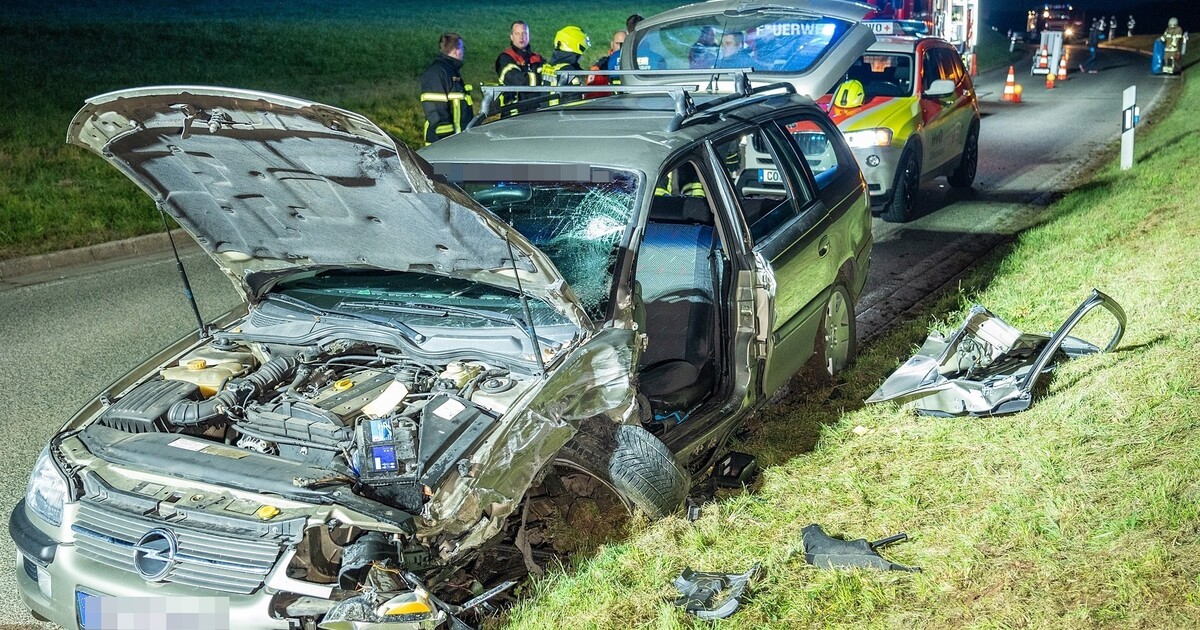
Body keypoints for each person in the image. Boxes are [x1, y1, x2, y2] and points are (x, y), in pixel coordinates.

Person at [419, 33, 473, 145]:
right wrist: (447, 139)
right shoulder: (437, 73)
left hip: (456, 140)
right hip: (442, 142)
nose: (463, 52)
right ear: (455, 50)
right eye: (462, 48)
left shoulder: (450, 71)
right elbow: (436, 110)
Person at [495, 21, 544, 106]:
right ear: (511, 37)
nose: (521, 37)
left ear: (529, 36)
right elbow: (518, 80)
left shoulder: (537, 58)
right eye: (517, 34)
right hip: (513, 112)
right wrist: (540, 78)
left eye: (524, 33)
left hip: (536, 111)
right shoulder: (505, 58)